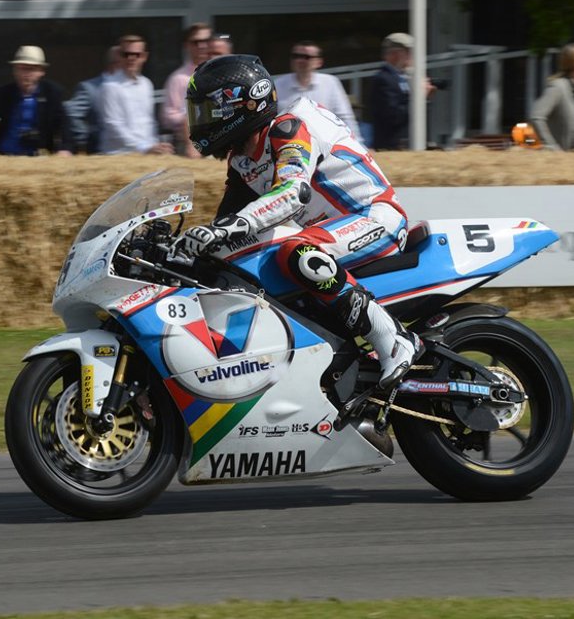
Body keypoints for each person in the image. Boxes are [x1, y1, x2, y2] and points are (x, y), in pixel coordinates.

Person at [173, 54, 422, 390]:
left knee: (297, 252)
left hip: (375, 219)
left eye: (205, 111)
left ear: (239, 105)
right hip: (328, 236)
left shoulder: (289, 128)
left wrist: (229, 227)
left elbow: (293, 192)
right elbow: (227, 222)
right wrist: (185, 249)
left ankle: (392, 339)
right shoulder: (243, 160)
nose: (198, 122)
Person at [98, 35, 173, 155]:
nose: (131, 58)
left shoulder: (146, 84)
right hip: (118, 155)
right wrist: (144, 147)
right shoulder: (110, 86)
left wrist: (155, 145)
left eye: (136, 54)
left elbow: (149, 121)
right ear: (119, 56)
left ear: (144, 57)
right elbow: (113, 125)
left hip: (147, 152)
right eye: (126, 54)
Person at [0, 45, 72, 156]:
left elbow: (64, 123)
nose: (27, 74)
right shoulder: (2, 94)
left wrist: (65, 148)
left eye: (32, 69)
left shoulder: (52, 93)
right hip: (5, 154)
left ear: (41, 71)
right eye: (22, 68)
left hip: (39, 154)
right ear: (14, 70)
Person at [275, 40, 360, 138]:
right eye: (296, 56)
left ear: (319, 62)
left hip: (326, 144)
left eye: (306, 57)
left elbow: (345, 118)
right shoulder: (278, 85)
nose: (300, 60)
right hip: (289, 145)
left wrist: (360, 145)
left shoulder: (330, 83)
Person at [367, 32, 435, 151]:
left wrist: (425, 99)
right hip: (392, 147)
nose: (413, 57)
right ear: (396, 54)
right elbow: (394, 116)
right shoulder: (384, 79)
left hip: (403, 145)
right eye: (409, 52)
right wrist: (420, 98)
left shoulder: (401, 78)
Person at [161, 22, 213, 157]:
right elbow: (167, 116)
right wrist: (192, 117)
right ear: (187, 46)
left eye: (206, 41)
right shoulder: (177, 78)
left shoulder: (220, 73)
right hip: (190, 144)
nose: (202, 46)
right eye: (196, 42)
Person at [65, 45, 120, 154]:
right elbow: (70, 113)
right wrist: (87, 137)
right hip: (102, 154)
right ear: (114, 65)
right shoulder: (90, 88)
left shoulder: (135, 87)